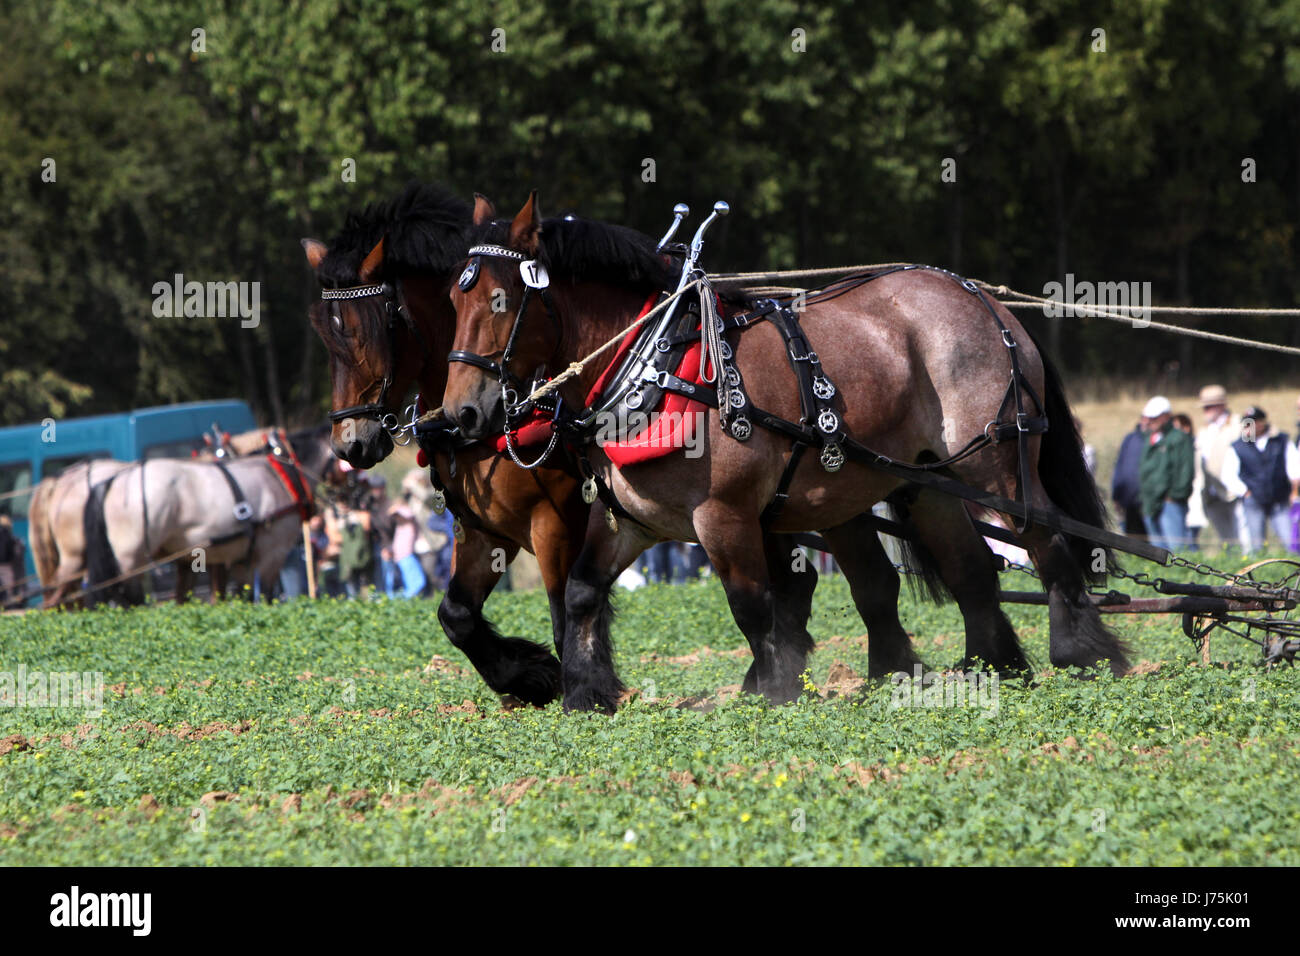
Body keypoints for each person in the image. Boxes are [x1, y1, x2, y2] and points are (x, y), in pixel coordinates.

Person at [1220, 405, 1300, 554]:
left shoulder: (1280, 440)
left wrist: (1294, 490)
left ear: (1262, 422)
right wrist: (1245, 492)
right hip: (1254, 501)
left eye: (1253, 421)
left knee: (1292, 543)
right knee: (1256, 546)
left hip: (1280, 500)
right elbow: (1228, 475)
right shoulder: (1239, 445)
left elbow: (1294, 467)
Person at [1138, 395, 1194, 552]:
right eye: (1148, 417)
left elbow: (1185, 471)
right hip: (1150, 502)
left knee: (1177, 552)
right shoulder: (1150, 438)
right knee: (1157, 553)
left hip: (1170, 503)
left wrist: (1175, 496)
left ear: (1166, 416)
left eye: (1154, 417)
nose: (1149, 421)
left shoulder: (1179, 438)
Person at [1195, 385, 1242, 550]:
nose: (1205, 411)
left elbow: (1251, 453)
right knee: (1227, 541)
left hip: (1235, 492)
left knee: (1243, 539)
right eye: (1204, 407)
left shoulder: (1242, 423)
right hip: (1211, 493)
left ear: (1221, 405)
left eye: (1209, 406)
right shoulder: (1203, 431)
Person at [1111, 418, 1148, 537]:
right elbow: (1119, 466)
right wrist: (1116, 494)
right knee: (1133, 538)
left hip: (1148, 500)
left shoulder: (1155, 438)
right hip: (1128, 499)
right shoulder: (1130, 438)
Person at [387, 492, 427, 598]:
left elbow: (407, 513)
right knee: (411, 581)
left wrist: (398, 507)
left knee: (415, 581)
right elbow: (392, 512)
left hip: (406, 554)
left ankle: (409, 598)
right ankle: (405, 598)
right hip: (401, 556)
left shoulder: (408, 518)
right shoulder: (400, 525)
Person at [1172, 413, 1203, 549]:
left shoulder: (1195, 445)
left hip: (1194, 495)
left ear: (1186, 428)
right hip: (1181, 497)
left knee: (1190, 537)